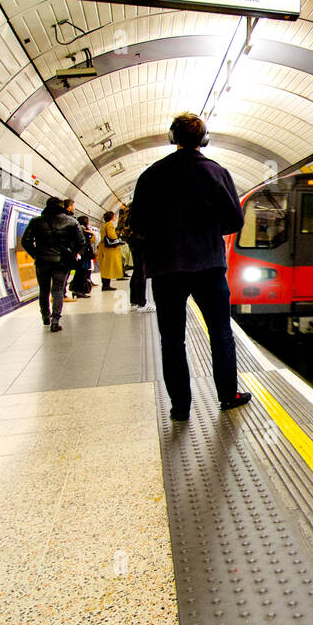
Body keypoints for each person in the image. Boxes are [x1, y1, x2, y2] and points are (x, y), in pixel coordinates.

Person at [128, 112, 249, 418]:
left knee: (172, 339)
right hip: (209, 265)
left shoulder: (151, 175)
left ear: (173, 138)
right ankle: (227, 395)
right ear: (203, 139)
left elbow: (137, 223)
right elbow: (235, 220)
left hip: (166, 268)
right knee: (220, 331)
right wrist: (208, 228)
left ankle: (180, 406)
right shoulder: (216, 172)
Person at [22, 197, 85, 332]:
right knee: (57, 290)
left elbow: (25, 241)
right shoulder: (71, 221)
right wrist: (71, 253)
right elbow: (81, 242)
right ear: (61, 207)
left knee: (43, 290)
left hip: (42, 262)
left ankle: (45, 316)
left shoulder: (36, 221)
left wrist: (36, 254)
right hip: (61, 262)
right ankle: (55, 321)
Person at [96, 210, 124, 290]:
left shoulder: (104, 225)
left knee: (105, 268)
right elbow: (112, 236)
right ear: (112, 217)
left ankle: (105, 285)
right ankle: (106, 285)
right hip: (109, 250)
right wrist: (117, 239)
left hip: (103, 248)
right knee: (109, 267)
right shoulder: (110, 225)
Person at [69, 215, 96, 297]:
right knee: (82, 272)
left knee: (81, 272)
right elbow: (87, 242)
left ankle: (78, 290)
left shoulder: (79, 229)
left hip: (82, 254)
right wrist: (92, 234)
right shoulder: (83, 230)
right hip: (83, 254)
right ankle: (79, 290)